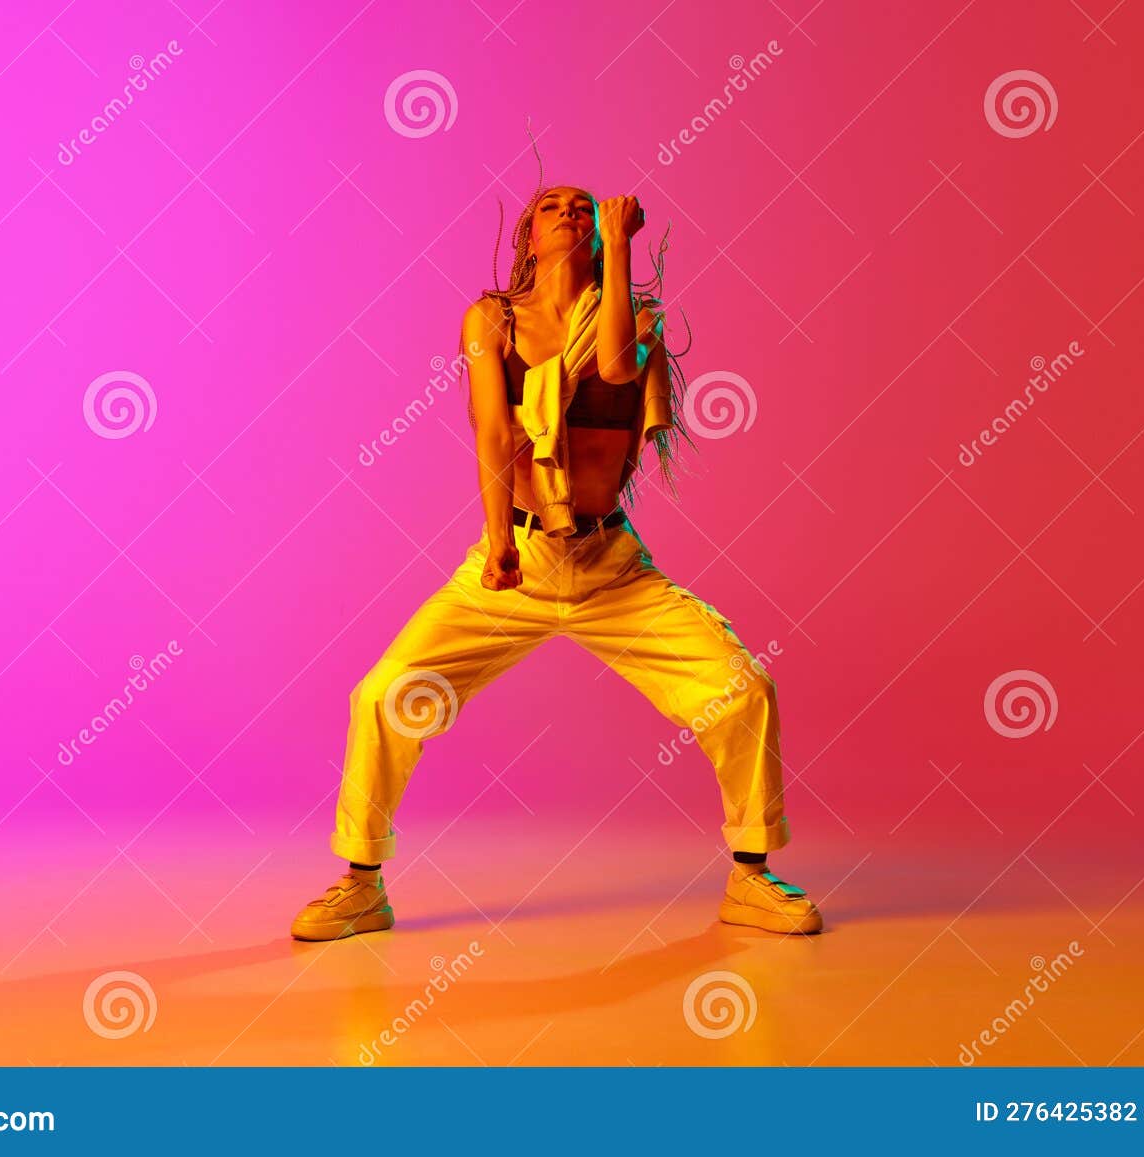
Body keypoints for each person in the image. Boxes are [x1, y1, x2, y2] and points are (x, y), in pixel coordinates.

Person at [290, 183, 821, 941]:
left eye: (585, 207)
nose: (571, 212)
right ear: (527, 237)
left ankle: (751, 876)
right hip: (516, 558)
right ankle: (361, 882)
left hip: (610, 565)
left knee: (742, 688)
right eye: (552, 206)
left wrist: (623, 247)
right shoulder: (490, 321)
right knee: (386, 694)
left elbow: (609, 367)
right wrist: (499, 540)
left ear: (604, 237)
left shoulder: (636, 320)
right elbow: (492, 433)